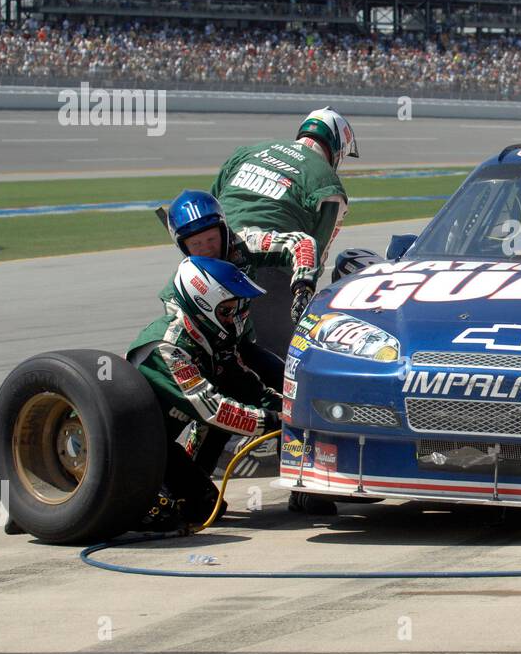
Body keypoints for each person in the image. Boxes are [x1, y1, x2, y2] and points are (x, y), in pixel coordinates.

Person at [127, 256, 282, 529]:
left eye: (240, 310)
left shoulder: (210, 342)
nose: (236, 318)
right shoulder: (166, 346)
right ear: (203, 305)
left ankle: (189, 480)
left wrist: (293, 411)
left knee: (203, 506)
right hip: (125, 451)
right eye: (228, 310)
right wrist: (272, 421)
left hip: (159, 446)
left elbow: (247, 387)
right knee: (189, 513)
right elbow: (212, 409)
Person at [210, 107, 358, 352]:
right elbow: (316, 255)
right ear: (337, 149)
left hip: (211, 255)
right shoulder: (329, 184)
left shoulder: (249, 151)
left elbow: (212, 203)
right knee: (282, 358)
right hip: (270, 267)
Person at [159, 189, 319, 386]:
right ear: (183, 247)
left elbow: (301, 243)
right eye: (196, 243)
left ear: (224, 231)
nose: (207, 249)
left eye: (211, 239)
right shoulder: (176, 294)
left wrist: (303, 286)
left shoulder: (242, 244)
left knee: (290, 383)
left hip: (243, 345)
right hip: (209, 361)